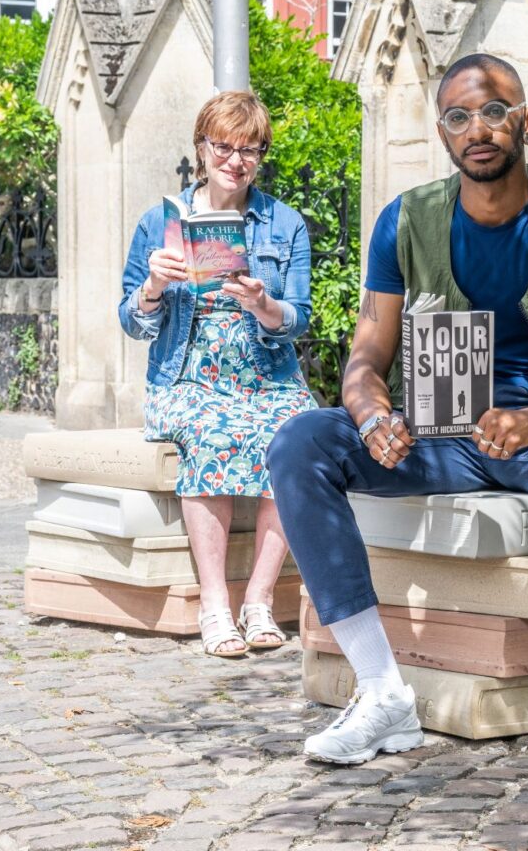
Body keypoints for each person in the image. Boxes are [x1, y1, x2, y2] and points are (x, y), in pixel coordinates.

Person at [267, 53, 528, 769]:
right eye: (457, 115)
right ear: (443, 133)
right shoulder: (406, 221)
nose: (476, 128)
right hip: (441, 436)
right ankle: (383, 691)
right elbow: (364, 361)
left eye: (492, 110)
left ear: (525, 121)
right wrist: (372, 418)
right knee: (301, 440)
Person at [118, 91, 316, 658]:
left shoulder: (285, 223)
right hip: (186, 376)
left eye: (249, 149)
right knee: (210, 430)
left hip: (265, 372)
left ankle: (257, 601)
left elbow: (297, 317)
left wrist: (263, 304)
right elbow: (130, 323)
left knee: (297, 431)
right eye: (223, 146)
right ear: (201, 148)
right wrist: (153, 288)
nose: (235, 160)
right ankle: (213, 605)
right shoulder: (160, 222)